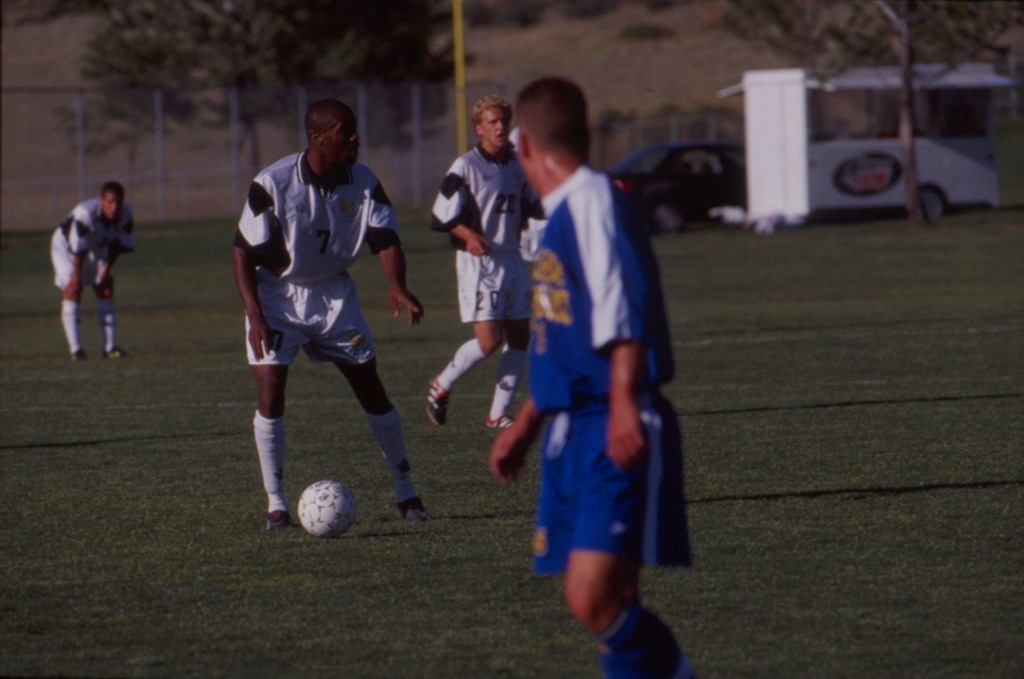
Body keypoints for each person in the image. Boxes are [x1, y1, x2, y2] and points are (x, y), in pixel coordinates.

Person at [489, 78, 695, 678]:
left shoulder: (593, 200)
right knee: (613, 598)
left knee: (590, 596)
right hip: (569, 426)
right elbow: (565, 337)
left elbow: (619, 306)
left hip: (611, 421)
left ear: (523, 143)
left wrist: (627, 404)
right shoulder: (558, 217)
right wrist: (527, 421)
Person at [232, 98, 432, 530]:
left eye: (356, 128)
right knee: (270, 388)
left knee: (371, 388)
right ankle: (276, 505)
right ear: (319, 137)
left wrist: (396, 285)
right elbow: (241, 252)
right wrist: (256, 315)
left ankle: (407, 493)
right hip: (279, 297)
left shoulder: (363, 180)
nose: (356, 137)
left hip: (335, 297)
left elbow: (385, 237)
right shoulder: (274, 182)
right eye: (347, 130)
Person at [427, 95, 543, 429]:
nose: (500, 127)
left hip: (512, 259)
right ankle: (441, 383)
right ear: (479, 128)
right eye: (492, 122)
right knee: (490, 342)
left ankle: (498, 414)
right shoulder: (465, 166)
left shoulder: (519, 163)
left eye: (503, 121)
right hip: (479, 264)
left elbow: (534, 206)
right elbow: (441, 215)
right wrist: (469, 235)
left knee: (521, 337)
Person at [50, 181, 135, 360]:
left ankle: (110, 348)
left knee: (106, 287)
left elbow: (119, 247)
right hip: (66, 247)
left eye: (118, 203)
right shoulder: (85, 214)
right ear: (101, 200)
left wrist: (104, 271)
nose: (114, 207)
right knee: (73, 289)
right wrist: (75, 278)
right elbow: (78, 250)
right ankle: (76, 350)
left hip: (96, 246)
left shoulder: (125, 214)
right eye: (110, 202)